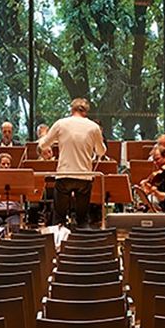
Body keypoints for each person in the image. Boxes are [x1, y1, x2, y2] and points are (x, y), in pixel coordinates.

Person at [39, 97, 108, 229]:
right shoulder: (93, 127)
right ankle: (83, 246)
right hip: (84, 176)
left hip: (65, 175)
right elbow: (101, 152)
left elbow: (43, 145)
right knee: (83, 219)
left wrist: (43, 135)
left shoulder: (61, 123)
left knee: (59, 218)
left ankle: (58, 244)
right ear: (86, 111)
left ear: (72, 109)